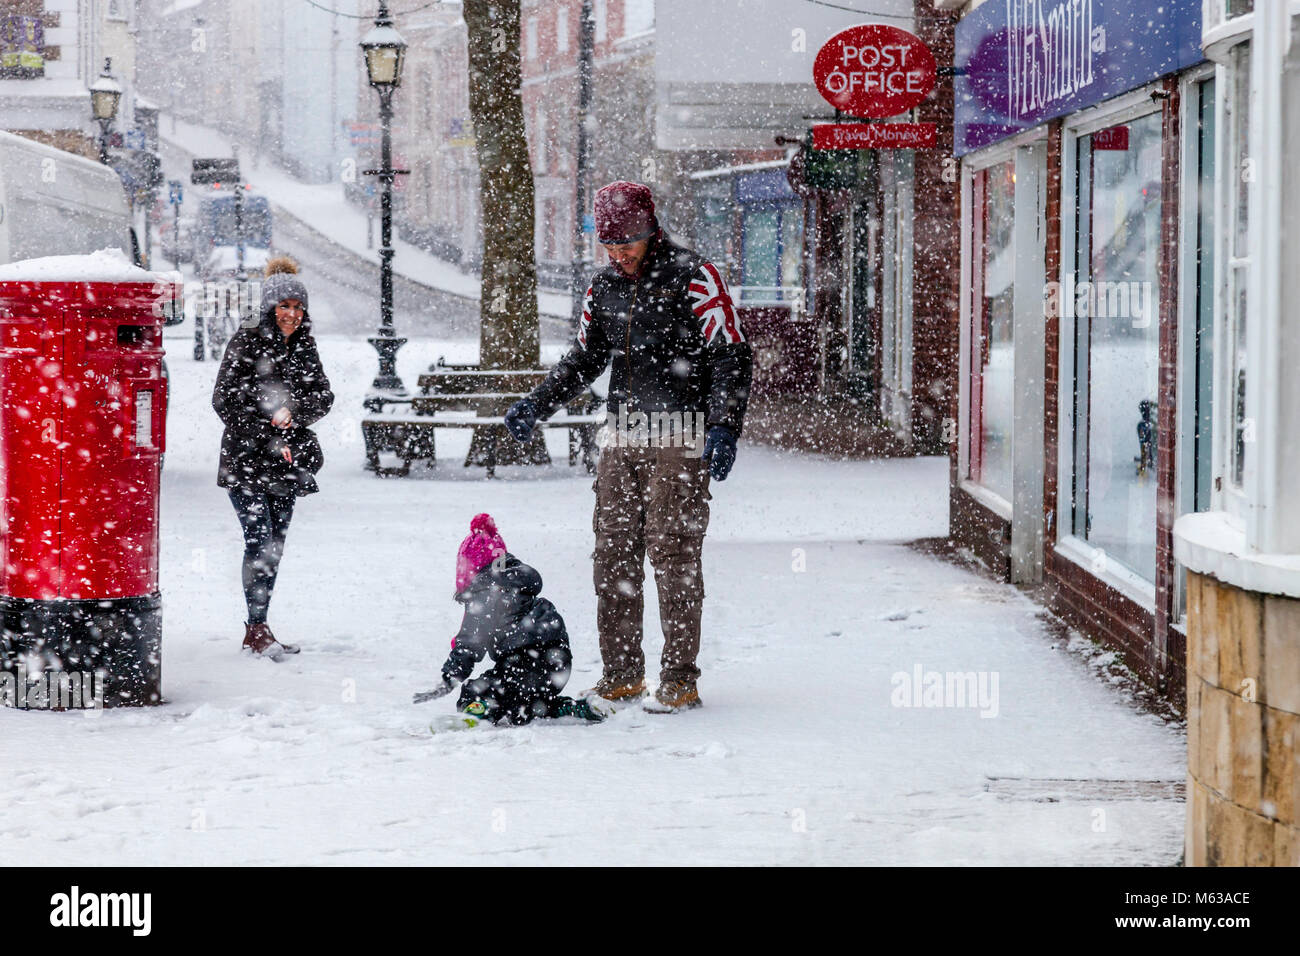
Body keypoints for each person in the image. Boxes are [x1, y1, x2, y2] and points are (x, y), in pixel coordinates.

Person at [504, 181, 753, 713]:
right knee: (613, 555)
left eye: (628, 243)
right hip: (622, 436)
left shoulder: (695, 277)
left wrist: (725, 425)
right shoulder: (603, 288)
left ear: (651, 229)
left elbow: (730, 352)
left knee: (673, 554)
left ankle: (680, 680)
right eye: (610, 245)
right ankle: (622, 675)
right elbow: (584, 359)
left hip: (680, 435)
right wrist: (538, 403)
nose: (619, 254)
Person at [212, 256, 334, 660]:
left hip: (287, 462)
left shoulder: (305, 344)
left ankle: (258, 626)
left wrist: (295, 411)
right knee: (259, 540)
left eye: (298, 308)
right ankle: (257, 627)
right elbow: (225, 400)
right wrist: (267, 433)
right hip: (246, 460)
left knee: (274, 545)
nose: (292, 315)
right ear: (269, 307)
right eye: (284, 306)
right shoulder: (246, 341)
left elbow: (323, 395)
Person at [413, 514, 604, 725]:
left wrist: (448, 679)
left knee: (478, 693)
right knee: (523, 700)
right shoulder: (518, 583)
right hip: (557, 665)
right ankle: (564, 709)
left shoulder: (485, 593)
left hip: (524, 665)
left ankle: (478, 713)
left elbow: (469, 644)